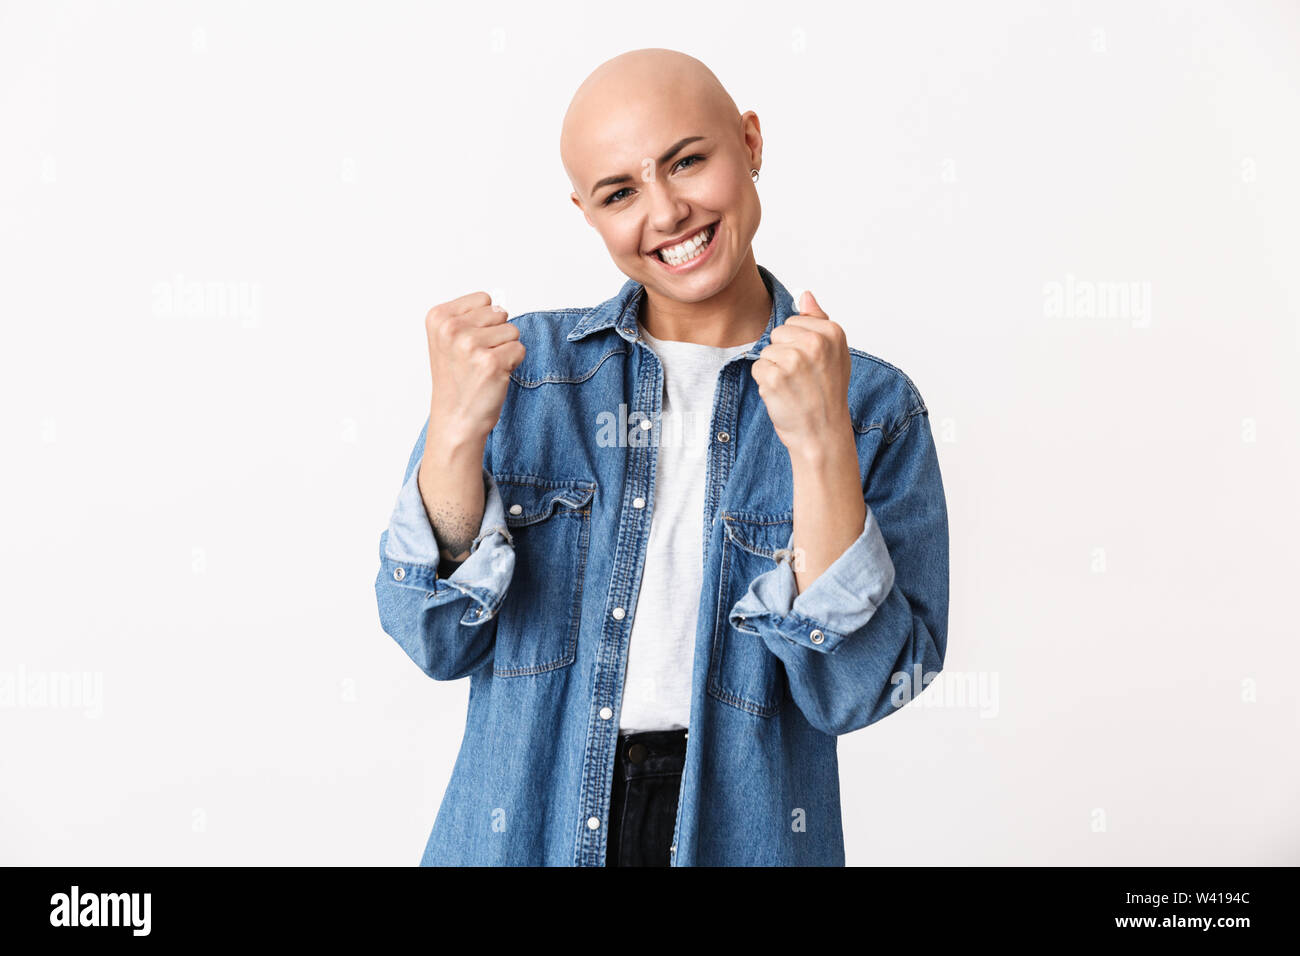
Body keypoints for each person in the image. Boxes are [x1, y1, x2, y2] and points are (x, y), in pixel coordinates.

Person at [374, 48, 949, 867]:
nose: (668, 211)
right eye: (620, 192)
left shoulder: (871, 406)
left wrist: (820, 446)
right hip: (528, 830)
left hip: (740, 835)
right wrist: (455, 434)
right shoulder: (524, 377)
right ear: (586, 211)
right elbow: (432, 638)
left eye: (687, 160)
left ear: (749, 141)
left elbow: (857, 690)